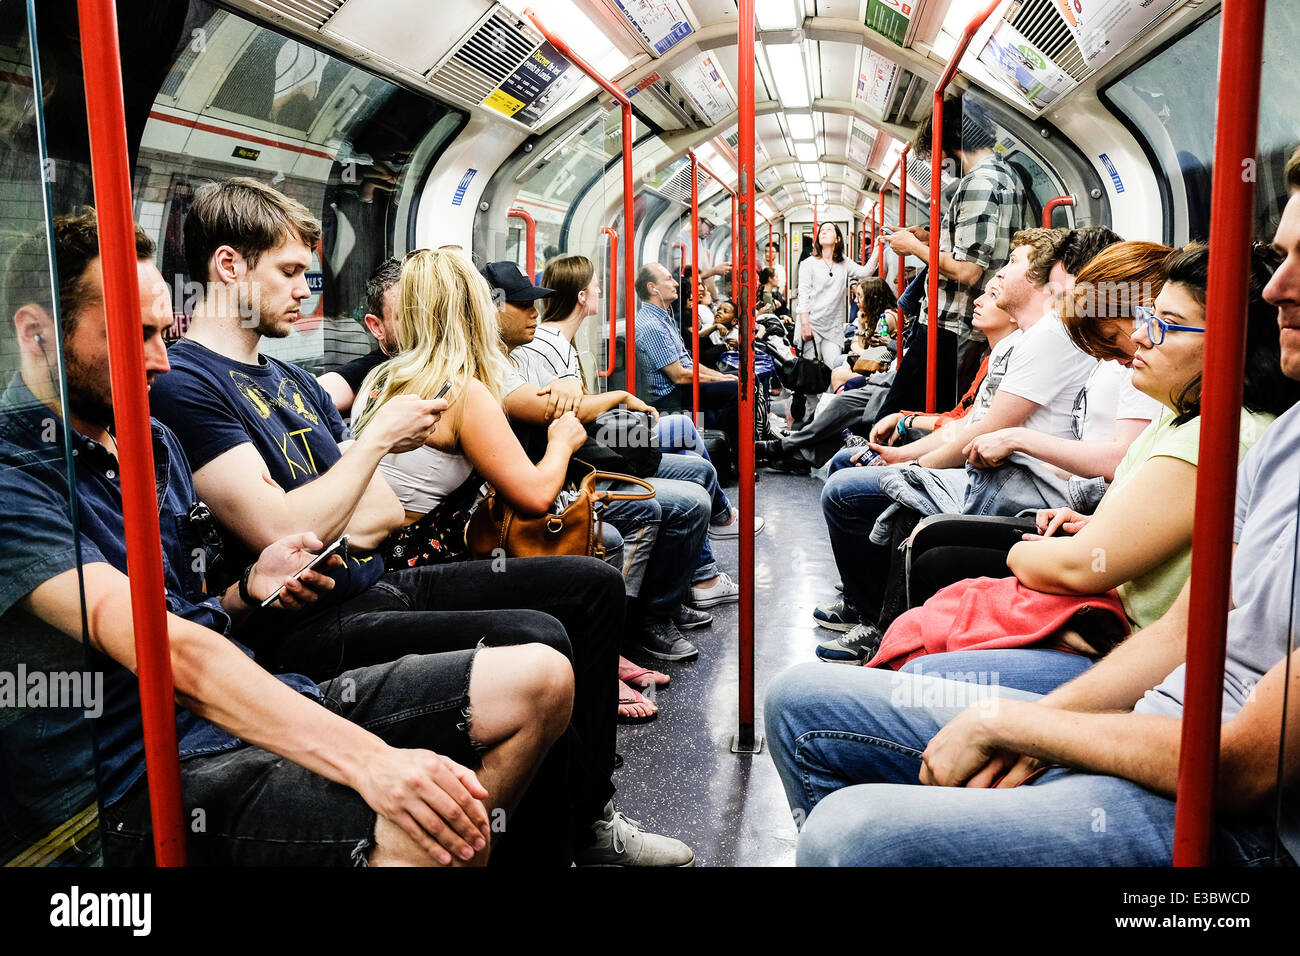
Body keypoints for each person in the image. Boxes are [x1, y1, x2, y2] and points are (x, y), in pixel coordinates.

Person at [765, 155, 1300, 866]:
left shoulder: (1219, 433)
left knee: (851, 835)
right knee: (800, 696)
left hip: (1228, 805)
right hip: (1156, 695)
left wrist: (1023, 725)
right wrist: (1025, 724)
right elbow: (1185, 633)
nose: (1277, 288)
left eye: (1162, 326)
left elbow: (1240, 763)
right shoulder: (1274, 438)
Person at [149, 178, 691, 866]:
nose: (305, 290)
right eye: (289, 272)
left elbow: (372, 510)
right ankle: (527, 839)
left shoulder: (295, 380)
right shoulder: (188, 382)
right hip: (306, 623)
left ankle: (582, 817)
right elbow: (280, 528)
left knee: (591, 586)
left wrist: (327, 501)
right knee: (538, 633)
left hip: (373, 578)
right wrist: (366, 452)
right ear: (229, 268)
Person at [1, 208, 568, 866]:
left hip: (232, 699)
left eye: (164, 333)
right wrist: (372, 764)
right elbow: (171, 652)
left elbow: (191, 607)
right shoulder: (18, 484)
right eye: (135, 337)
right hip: (124, 780)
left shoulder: (152, 443)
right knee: (428, 829)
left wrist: (247, 589)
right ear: (37, 334)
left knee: (541, 680)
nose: (158, 361)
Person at [879, 242, 1297, 692]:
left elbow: (1083, 566)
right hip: (1109, 606)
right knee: (931, 545)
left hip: (1122, 640)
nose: (1139, 338)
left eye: (1163, 325)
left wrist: (1024, 553)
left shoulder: (1216, 435)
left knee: (919, 669)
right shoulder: (1181, 416)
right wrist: (1095, 526)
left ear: (1236, 345)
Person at [812, 228, 1101, 655]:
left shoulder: (1047, 338)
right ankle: (870, 607)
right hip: (998, 470)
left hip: (1018, 485)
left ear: (1043, 281)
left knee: (845, 490)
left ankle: (873, 616)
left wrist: (911, 462)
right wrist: (907, 452)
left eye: (1013, 263)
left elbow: (981, 430)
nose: (996, 277)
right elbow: (971, 422)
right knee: (854, 459)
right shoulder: (1022, 342)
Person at [873, 98, 1032, 419]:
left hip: (950, 323)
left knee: (892, 417)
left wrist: (912, 248)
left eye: (940, 152)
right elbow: (984, 243)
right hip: (965, 324)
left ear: (950, 143)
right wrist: (928, 237)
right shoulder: (1008, 176)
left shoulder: (978, 183)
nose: (941, 161)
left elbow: (969, 270)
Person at [634, 261, 741, 450]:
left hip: (681, 389)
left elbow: (688, 361)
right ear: (652, 288)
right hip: (670, 397)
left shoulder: (664, 317)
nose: (676, 284)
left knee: (739, 379)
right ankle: (733, 455)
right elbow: (679, 375)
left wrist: (720, 376)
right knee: (737, 389)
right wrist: (717, 381)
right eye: (668, 279)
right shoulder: (651, 325)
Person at [796, 222, 875, 369]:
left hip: (833, 326)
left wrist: (877, 249)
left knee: (834, 368)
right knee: (810, 372)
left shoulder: (844, 262)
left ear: (838, 239)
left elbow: (865, 273)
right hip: (811, 323)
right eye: (821, 231)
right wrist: (805, 325)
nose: (823, 232)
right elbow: (803, 296)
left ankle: (830, 393)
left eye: (829, 230)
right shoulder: (808, 263)